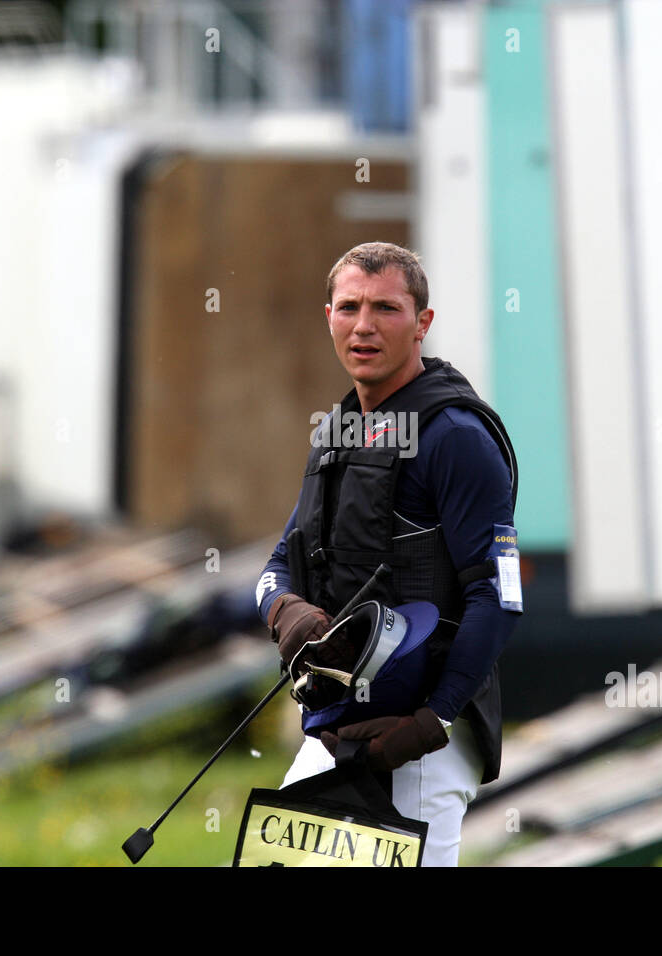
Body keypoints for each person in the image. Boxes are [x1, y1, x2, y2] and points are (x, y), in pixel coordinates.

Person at [255, 242, 522, 866]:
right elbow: (275, 566)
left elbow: (499, 597)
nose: (364, 325)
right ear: (328, 317)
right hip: (336, 729)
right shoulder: (338, 433)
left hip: (422, 742)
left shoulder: (457, 437)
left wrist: (433, 719)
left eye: (386, 308)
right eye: (348, 307)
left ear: (422, 323)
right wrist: (283, 611)